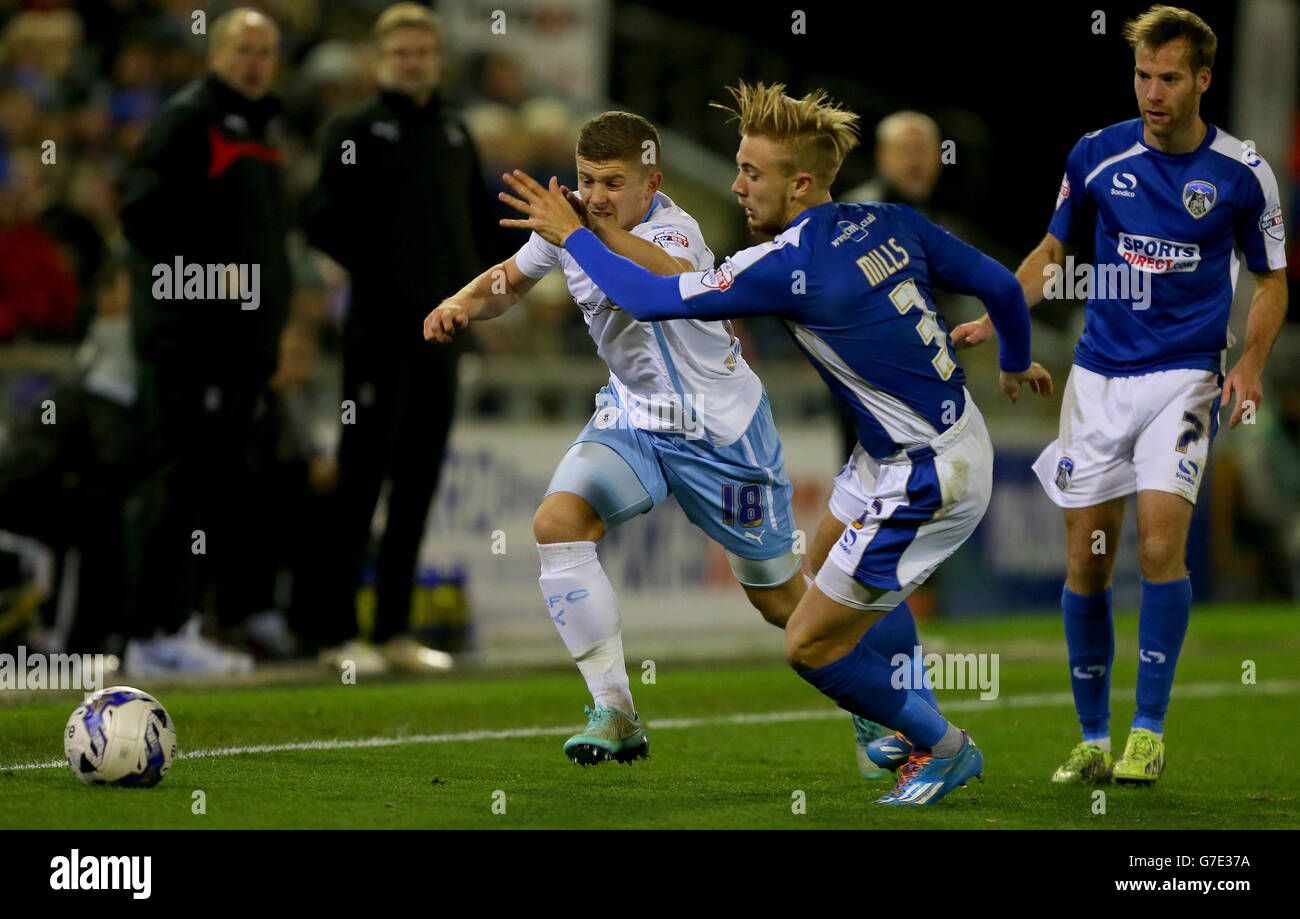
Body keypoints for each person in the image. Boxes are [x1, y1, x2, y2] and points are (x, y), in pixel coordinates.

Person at [500, 82, 1053, 805]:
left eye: (751, 173)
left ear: (798, 182)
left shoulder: (787, 267)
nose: (735, 186)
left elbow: (648, 299)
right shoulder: (889, 220)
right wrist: (1012, 358)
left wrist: (573, 233)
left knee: (808, 644)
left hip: (927, 472)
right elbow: (1002, 288)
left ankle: (943, 745)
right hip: (906, 444)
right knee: (822, 565)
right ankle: (894, 721)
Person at [950, 5, 1288, 786]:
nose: (1153, 91)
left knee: (1161, 544)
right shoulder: (1097, 154)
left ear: (1203, 78)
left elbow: (1271, 280)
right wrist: (999, 314)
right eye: (1142, 74)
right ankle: (1094, 736)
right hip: (1098, 379)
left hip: (1184, 377)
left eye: (1170, 77)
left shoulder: (1243, 173)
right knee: (1087, 562)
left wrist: (1253, 364)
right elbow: (1050, 251)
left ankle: (1148, 730)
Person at [424, 110, 807, 766]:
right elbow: (508, 283)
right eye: (586, 180)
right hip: (634, 419)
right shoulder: (573, 223)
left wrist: (580, 232)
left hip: (721, 434)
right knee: (558, 522)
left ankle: (874, 705)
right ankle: (615, 709)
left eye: (612, 182)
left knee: (780, 603)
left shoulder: (677, 230)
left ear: (650, 181)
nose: (596, 196)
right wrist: (461, 301)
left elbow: (660, 281)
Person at [302, 3, 509, 672]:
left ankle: (392, 629)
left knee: (418, 481)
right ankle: (336, 631)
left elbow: (476, 227)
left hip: (443, 338)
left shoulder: (454, 131)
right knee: (361, 481)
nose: (413, 62)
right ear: (379, 60)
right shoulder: (353, 129)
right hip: (376, 334)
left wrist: (481, 297)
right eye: (401, 53)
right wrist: (390, 275)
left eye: (423, 51)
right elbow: (320, 221)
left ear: (437, 58)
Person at [119, 7, 290, 674]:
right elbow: (142, 214)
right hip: (190, 342)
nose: (255, 61)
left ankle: (180, 622)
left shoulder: (260, 125)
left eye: (266, 50)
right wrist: (205, 282)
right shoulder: (190, 119)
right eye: (243, 49)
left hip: (237, 345)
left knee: (211, 485)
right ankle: (152, 630)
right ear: (216, 53)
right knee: (178, 483)